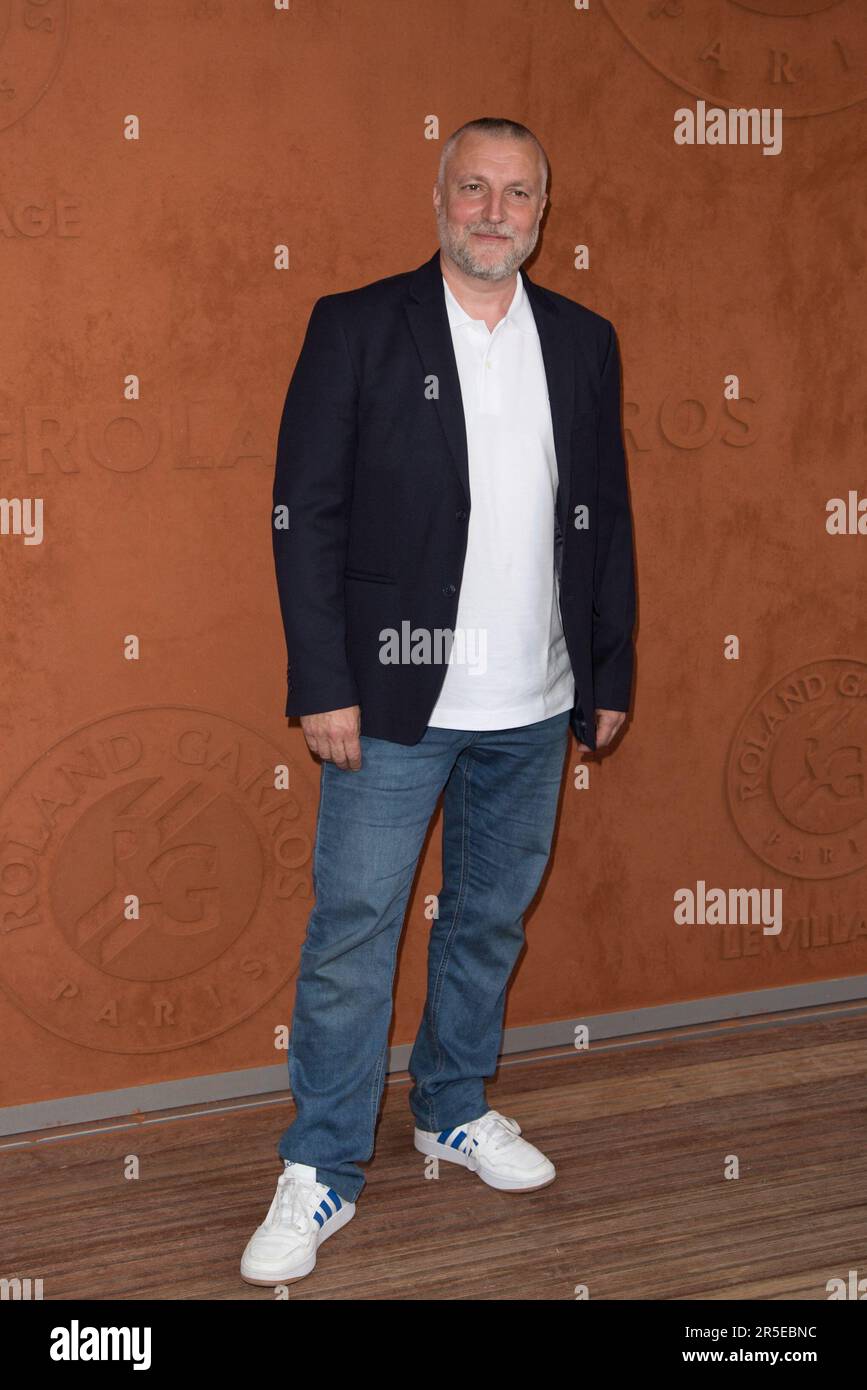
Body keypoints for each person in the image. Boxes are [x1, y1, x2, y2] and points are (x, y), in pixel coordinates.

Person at [241, 116, 637, 1286]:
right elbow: (304, 514)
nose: (494, 211)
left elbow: (603, 513)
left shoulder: (583, 340)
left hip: (535, 702)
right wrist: (324, 682)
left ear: (542, 215)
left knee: (488, 919)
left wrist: (607, 669)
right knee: (354, 933)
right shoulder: (359, 326)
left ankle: (452, 1108)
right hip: (390, 700)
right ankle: (321, 1164)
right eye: (475, 188)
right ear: (440, 200)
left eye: (517, 193)